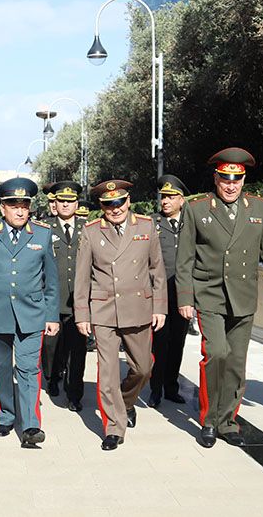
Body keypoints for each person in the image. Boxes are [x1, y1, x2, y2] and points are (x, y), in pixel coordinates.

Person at [176, 148, 263, 448]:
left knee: (236, 362)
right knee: (216, 353)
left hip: (243, 295)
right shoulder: (197, 209)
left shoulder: (259, 207)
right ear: (216, 178)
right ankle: (209, 420)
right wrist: (185, 298)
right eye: (225, 179)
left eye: (236, 179)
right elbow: (184, 259)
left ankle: (228, 421)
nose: (231, 185)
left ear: (243, 180)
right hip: (209, 294)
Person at [74, 179, 167, 451]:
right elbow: (82, 277)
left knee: (143, 368)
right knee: (108, 374)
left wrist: (159, 307)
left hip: (138, 308)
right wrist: (82, 315)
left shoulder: (146, 227)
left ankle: (125, 402)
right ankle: (114, 428)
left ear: (128, 201)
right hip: (104, 310)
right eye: (108, 204)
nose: (115, 209)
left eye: (119, 203)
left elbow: (157, 270)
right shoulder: (91, 231)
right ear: (101, 206)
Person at [0, 177, 60, 449]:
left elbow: (51, 280)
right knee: (1, 369)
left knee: (30, 369)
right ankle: (6, 415)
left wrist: (51, 315)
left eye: (24, 206)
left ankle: (31, 425)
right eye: (14, 206)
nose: (20, 211)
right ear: (2, 208)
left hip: (31, 312)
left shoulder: (42, 234)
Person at [42, 181, 87, 412]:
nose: (66, 205)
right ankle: (51, 378)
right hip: (51, 299)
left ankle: (74, 393)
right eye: (62, 201)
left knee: (77, 351)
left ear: (77, 204)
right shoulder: (43, 228)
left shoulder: (87, 228)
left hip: (79, 302)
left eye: (70, 201)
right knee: (51, 347)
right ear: (55, 203)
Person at [149, 175, 191, 408]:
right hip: (159, 294)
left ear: (181, 200)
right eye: (163, 197)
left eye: (171, 197)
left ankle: (171, 387)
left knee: (178, 343)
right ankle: (155, 389)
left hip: (183, 294)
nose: (165, 201)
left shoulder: (191, 223)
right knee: (159, 343)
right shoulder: (152, 223)